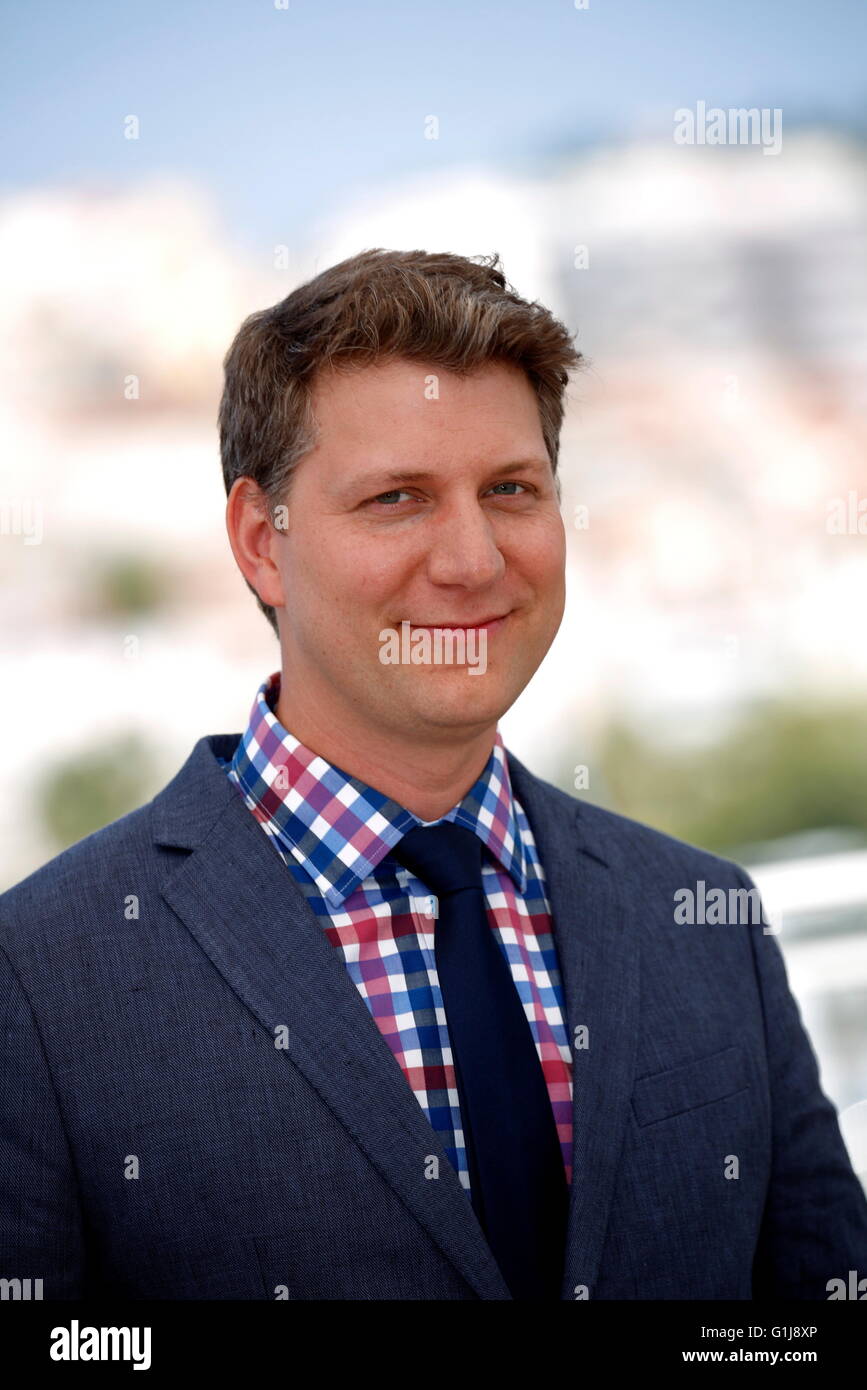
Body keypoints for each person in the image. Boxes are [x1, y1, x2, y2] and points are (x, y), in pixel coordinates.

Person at [1, 249, 865, 1301]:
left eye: (509, 489)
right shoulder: (38, 982)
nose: (471, 559)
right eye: (398, 499)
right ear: (259, 543)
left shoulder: (707, 919)